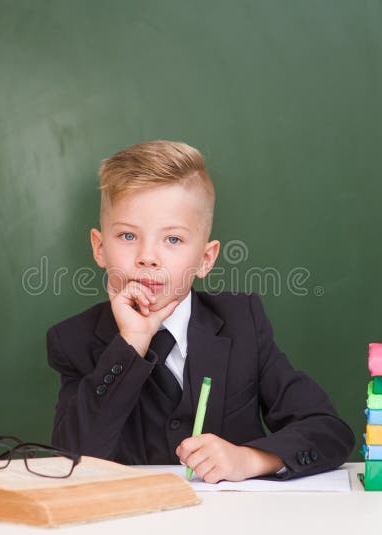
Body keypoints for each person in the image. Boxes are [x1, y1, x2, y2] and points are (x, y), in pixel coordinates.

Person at [47, 140, 354, 482]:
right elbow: (71, 461)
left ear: (206, 259)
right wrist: (130, 343)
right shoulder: (73, 341)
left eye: (173, 240)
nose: (147, 257)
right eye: (128, 236)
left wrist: (249, 459)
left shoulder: (242, 323)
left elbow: (329, 431)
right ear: (100, 248)